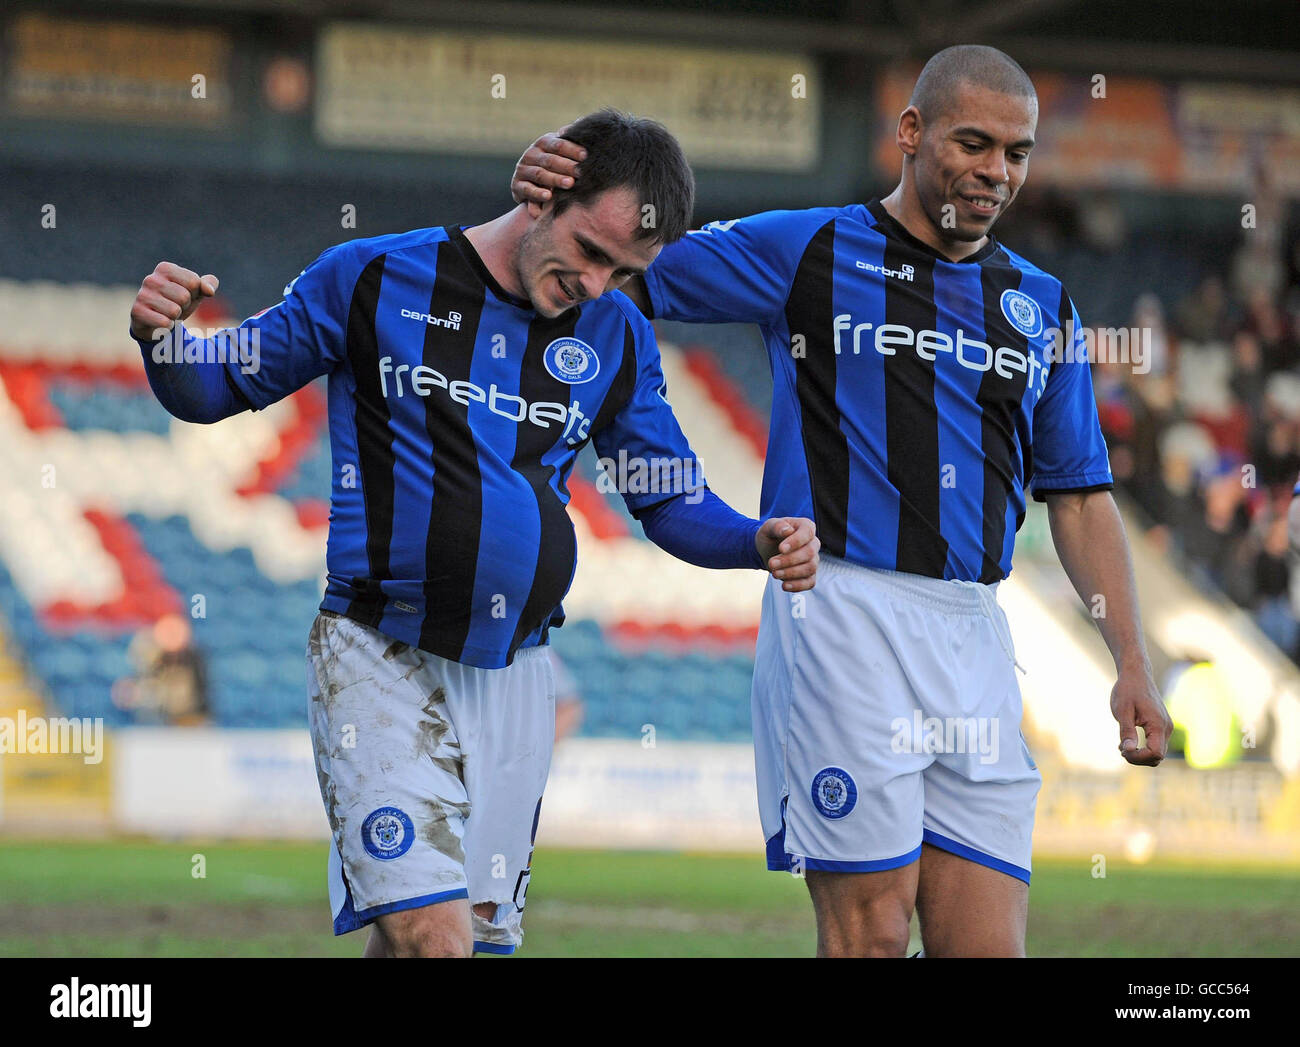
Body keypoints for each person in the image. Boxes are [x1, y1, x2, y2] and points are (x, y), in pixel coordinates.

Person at [513, 47, 1172, 957]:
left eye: (1015, 154)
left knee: (986, 947)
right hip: (841, 610)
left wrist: (1131, 657)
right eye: (973, 143)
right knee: (869, 933)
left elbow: (1083, 496)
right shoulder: (808, 249)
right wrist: (547, 195)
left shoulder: (1039, 305)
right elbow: (621, 263)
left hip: (974, 629)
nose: (995, 172)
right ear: (910, 132)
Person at [129, 109, 819, 958]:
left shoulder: (618, 334)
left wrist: (754, 539)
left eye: (625, 270)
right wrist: (164, 342)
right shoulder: (373, 277)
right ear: (546, 191)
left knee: (458, 946)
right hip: (379, 656)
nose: (599, 284)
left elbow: (667, 498)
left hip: (517, 676)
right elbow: (217, 387)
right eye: (592, 252)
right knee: (436, 940)